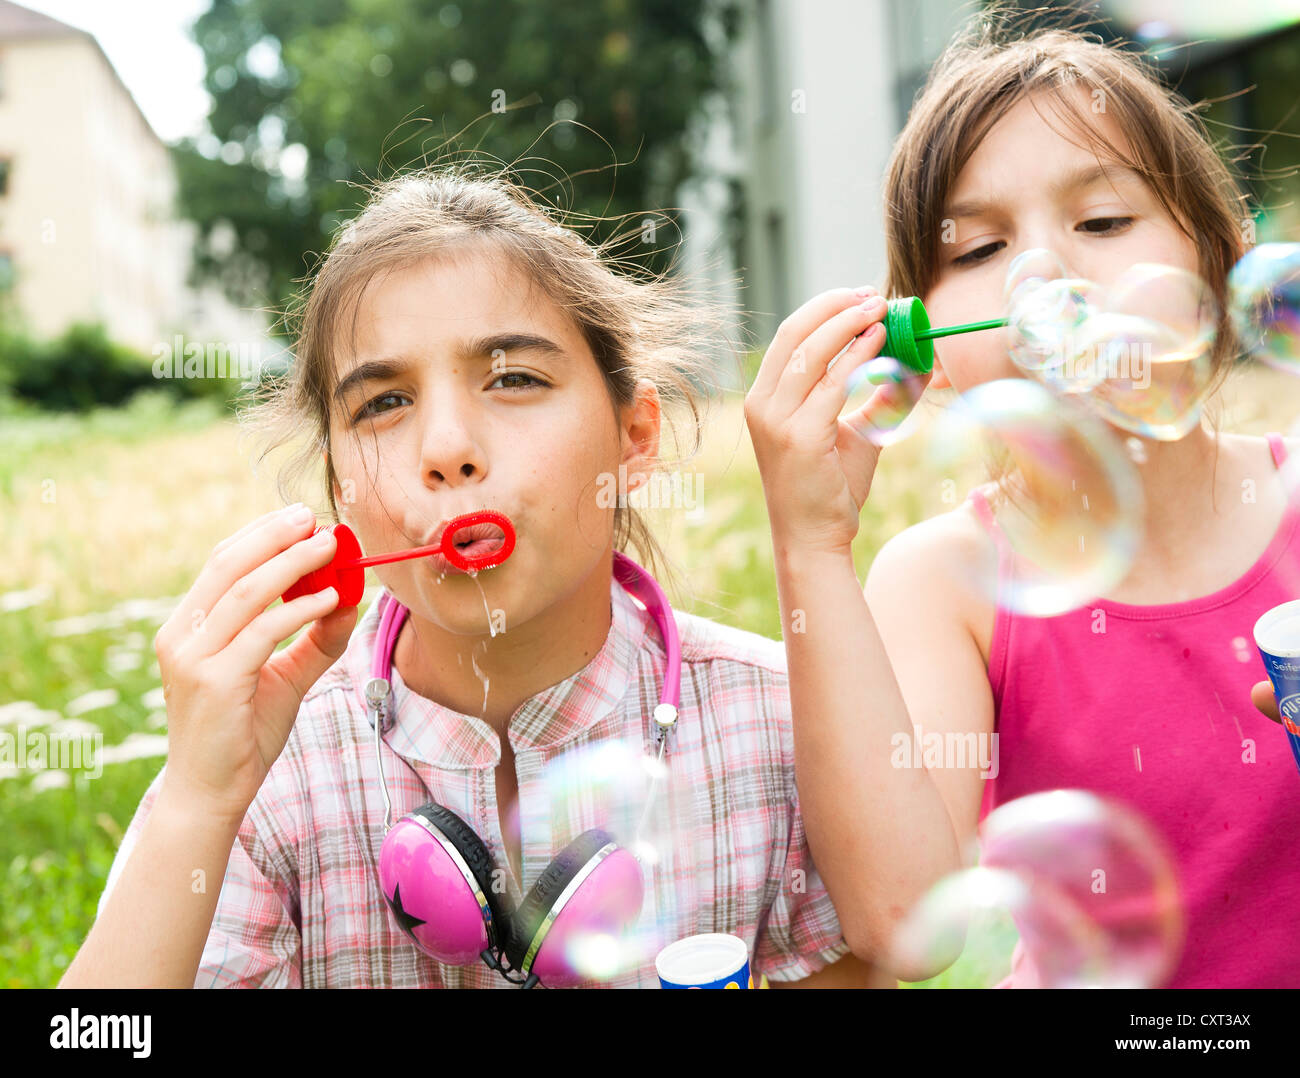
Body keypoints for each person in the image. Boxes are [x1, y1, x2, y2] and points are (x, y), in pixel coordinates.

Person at [61, 166, 884, 988]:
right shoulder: (266, 776)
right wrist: (200, 800)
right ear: (338, 485)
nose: (446, 448)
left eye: (514, 377)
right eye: (382, 403)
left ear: (634, 437)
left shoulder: (787, 727)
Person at [745, 20, 1300, 987]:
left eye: (1102, 223)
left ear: (1217, 260)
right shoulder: (944, 584)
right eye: (983, 246)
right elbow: (903, 923)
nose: (1044, 278)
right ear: (929, 343)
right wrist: (813, 544)